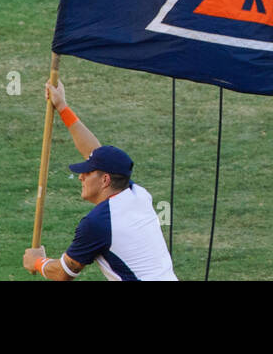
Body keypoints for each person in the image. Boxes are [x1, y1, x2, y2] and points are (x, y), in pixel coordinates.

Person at [22, 80, 176, 281]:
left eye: (87, 172)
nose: (80, 176)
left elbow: (63, 273)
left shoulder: (98, 224)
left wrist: (37, 262)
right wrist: (62, 107)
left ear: (105, 180)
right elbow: (95, 153)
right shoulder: (137, 194)